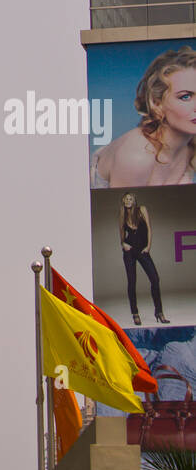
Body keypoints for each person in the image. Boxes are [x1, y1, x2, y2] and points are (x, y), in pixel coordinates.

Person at [91, 47, 196, 187]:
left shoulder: (189, 146)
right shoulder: (137, 156)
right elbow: (119, 209)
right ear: (157, 103)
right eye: (185, 97)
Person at [118, 192, 168, 325]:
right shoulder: (122, 213)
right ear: (123, 201)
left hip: (142, 250)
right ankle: (135, 313)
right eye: (126, 199)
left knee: (155, 279)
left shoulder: (142, 210)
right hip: (129, 251)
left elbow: (149, 229)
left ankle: (159, 312)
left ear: (134, 201)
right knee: (132, 282)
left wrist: (148, 247)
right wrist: (123, 244)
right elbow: (121, 233)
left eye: (130, 198)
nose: (128, 201)